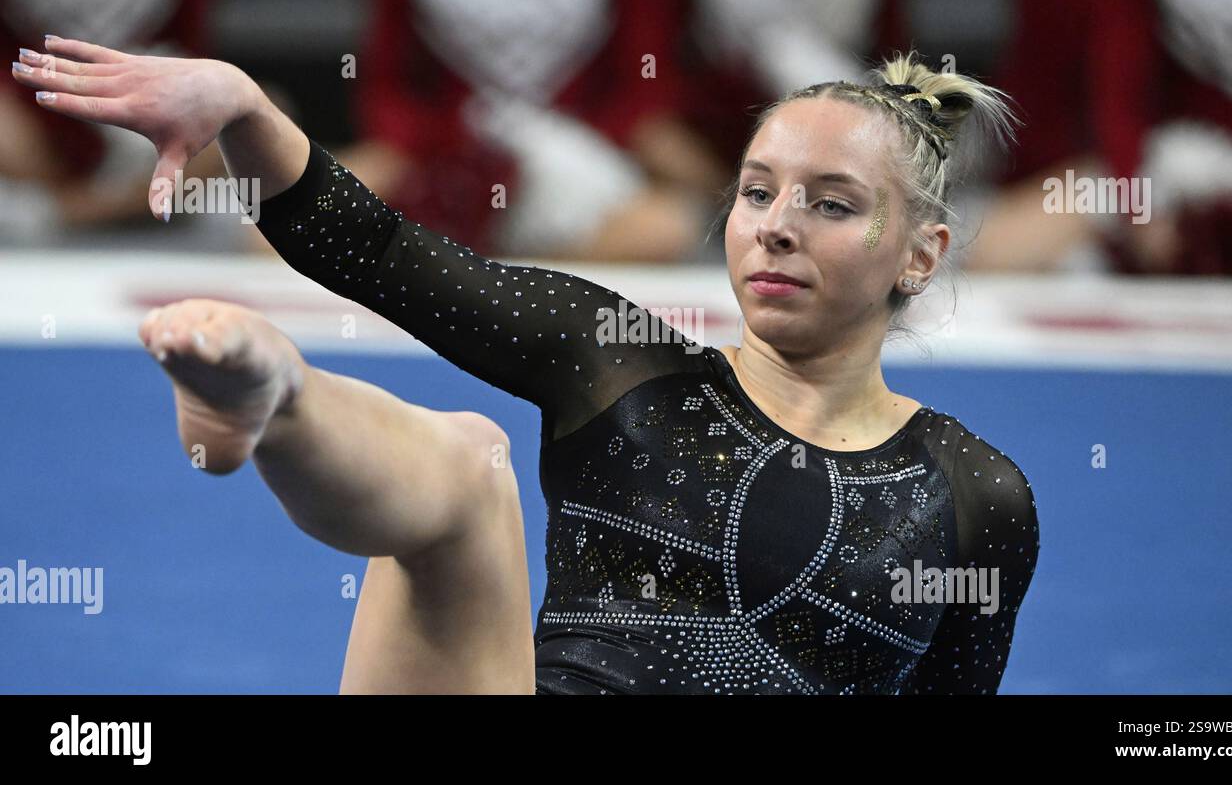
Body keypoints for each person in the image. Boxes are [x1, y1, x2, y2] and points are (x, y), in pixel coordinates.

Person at [12, 36, 1039, 694]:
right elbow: (378, 250)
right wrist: (242, 107)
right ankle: (272, 396)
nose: (774, 227)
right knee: (467, 462)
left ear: (921, 252)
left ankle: (278, 397)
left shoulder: (972, 497)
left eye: (830, 202)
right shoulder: (620, 364)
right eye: (756, 191)